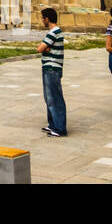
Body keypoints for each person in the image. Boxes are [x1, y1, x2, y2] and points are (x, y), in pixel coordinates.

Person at [36, 7, 66, 137]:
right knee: (49, 98)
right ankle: (53, 124)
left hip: (52, 68)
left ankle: (59, 128)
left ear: (47, 19)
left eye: (42, 18)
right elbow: (44, 48)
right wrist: (45, 48)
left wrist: (44, 48)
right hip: (50, 68)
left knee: (55, 98)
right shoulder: (54, 32)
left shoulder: (53, 32)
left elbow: (39, 48)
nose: (42, 20)